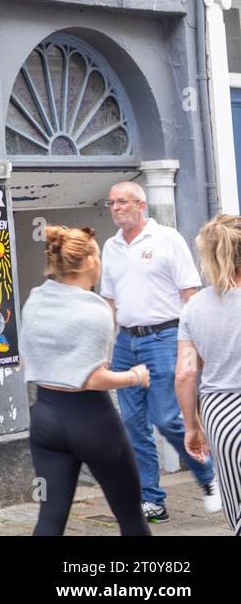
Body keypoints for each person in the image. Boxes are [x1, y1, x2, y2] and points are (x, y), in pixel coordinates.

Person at [100, 181, 220, 522]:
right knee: (132, 423)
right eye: (111, 203)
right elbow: (109, 300)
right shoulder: (110, 247)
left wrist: (195, 345)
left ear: (141, 205)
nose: (116, 208)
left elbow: (191, 295)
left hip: (165, 337)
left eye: (122, 202)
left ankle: (211, 477)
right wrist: (106, 346)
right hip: (126, 341)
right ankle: (152, 499)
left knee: (167, 417)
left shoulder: (167, 239)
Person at [19, 226, 150, 536]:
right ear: (90, 260)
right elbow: (93, 378)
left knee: (50, 517)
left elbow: (31, 358)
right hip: (92, 420)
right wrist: (134, 376)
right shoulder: (95, 311)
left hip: (46, 416)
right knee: (131, 516)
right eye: (100, 256)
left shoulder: (35, 300)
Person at [176, 215, 241, 534]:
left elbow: (186, 374)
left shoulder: (194, 308)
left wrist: (192, 427)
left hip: (222, 416)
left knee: (236, 504)